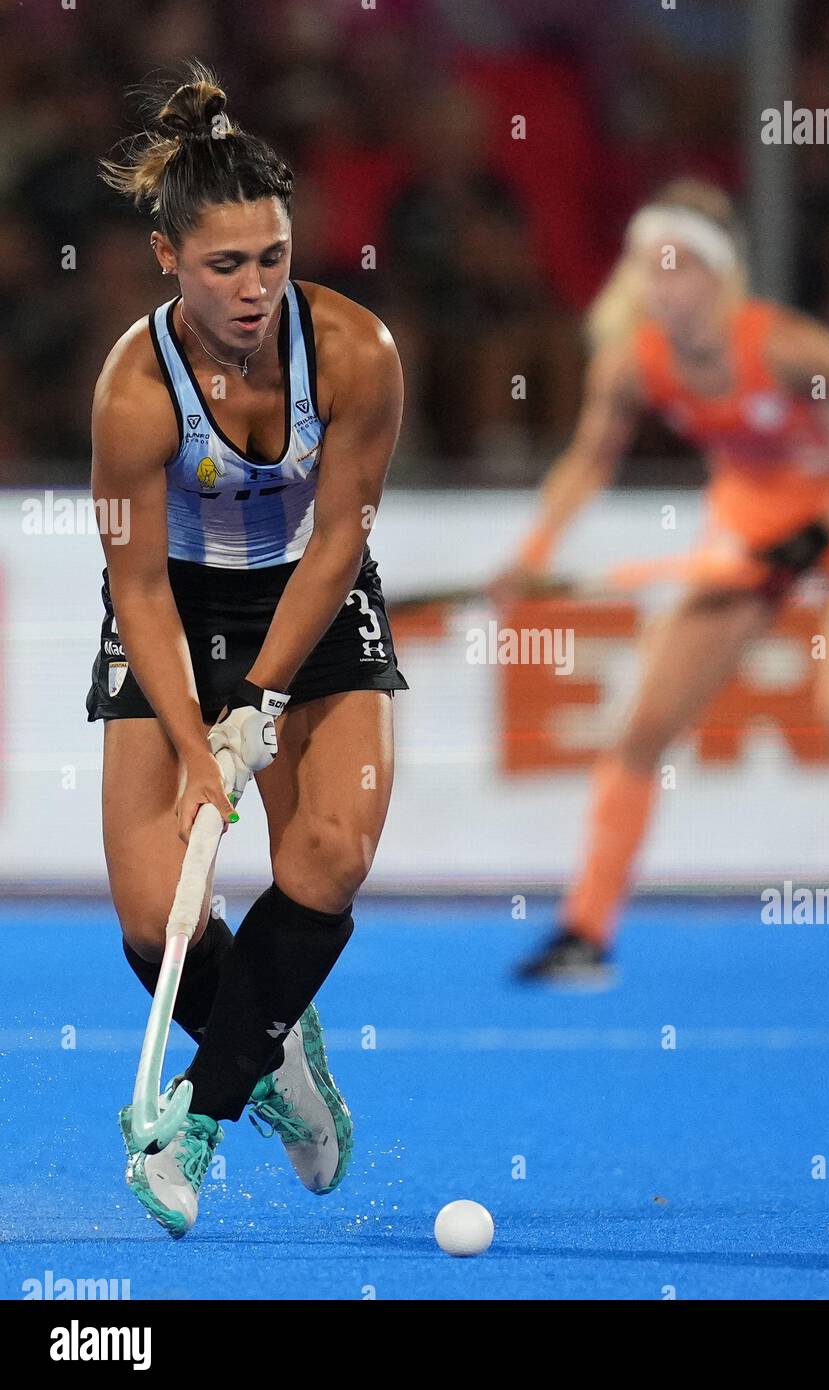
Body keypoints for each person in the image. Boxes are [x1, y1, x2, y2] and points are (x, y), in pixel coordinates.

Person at [88, 64, 407, 1237]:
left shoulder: (357, 351)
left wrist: (260, 701)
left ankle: (201, 1116)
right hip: (174, 603)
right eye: (224, 264)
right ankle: (276, 1052)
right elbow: (136, 586)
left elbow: (339, 541)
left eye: (272, 257)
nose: (254, 287)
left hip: (308, 598)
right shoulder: (134, 392)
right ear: (167, 255)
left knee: (331, 851)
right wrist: (196, 747)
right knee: (147, 919)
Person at [496, 180, 829, 986]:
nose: (661, 284)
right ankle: (586, 932)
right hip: (749, 523)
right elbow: (589, 460)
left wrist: (825, 526)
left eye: (679, 266)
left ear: (720, 274)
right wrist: (532, 553)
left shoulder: (782, 346)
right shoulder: (634, 361)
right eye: (649, 266)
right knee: (642, 729)